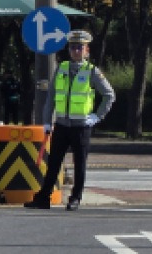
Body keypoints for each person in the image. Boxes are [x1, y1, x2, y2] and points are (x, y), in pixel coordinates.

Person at [25, 30, 115, 211]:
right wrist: (47, 121)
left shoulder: (92, 71)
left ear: (86, 50)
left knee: (79, 164)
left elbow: (109, 95)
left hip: (81, 126)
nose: (75, 51)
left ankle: (75, 198)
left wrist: (97, 116)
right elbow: (51, 96)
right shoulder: (62, 68)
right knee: (53, 164)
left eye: (79, 47)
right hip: (62, 125)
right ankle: (43, 198)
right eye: (73, 47)